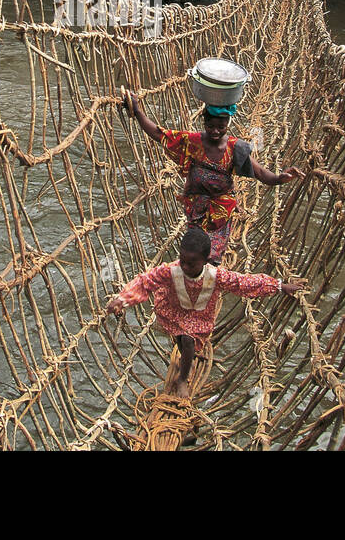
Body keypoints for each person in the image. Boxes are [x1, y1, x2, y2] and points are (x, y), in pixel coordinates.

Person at [105, 227, 303, 399]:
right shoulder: (170, 270)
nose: (185, 266)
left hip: (199, 317)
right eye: (182, 260)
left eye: (191, 263)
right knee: (182, 340)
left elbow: (243, 283)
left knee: (188, 339)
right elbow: (145, 281)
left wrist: (278, 286)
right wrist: (122, 300)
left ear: (206, 260)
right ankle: (184, 354)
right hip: (172, 309)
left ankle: (183, 377)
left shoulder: (216, 276)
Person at [119, 87, 305, 263]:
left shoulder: (235, 148)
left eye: (221, 127)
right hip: (195, 207)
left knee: (211, 257)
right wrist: (136, 111)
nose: (215, 131)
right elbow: (158, 134)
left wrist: (280, 178)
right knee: (194, 251)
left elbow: (262, 173)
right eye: (211, 126)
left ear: (228, 125)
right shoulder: (192, 142)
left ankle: (209, 281)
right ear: (204, 122)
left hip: (220, 212)